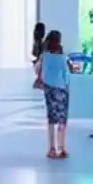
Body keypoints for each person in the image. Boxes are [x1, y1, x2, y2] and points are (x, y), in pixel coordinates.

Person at [36, 30, 71, 159]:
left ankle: (51, 148)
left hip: (48, 89)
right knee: (62, 119)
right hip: (61, 89)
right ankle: (61, 148)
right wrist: (66, 86)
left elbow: (38, 70)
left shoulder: (44, 56)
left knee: (51, 118)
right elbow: (66, 73)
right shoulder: (62, 57)